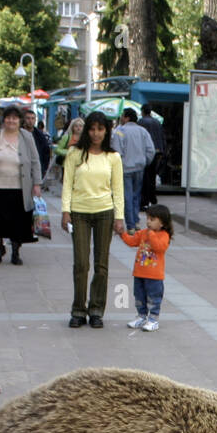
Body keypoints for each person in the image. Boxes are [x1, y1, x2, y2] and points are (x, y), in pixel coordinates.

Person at [61, 111, 124, 328]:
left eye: (100, 129)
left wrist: (119, 217)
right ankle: (78, 310)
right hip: (79, 212)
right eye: (92, 129)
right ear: (87, 130)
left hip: (105, 212)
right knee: (81, 263)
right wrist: (65, 211)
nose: (96, 133)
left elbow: (118, 189)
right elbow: (67, 183)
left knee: (101, 264)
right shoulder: (75, 154)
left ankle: (96, 310)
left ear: (106, 131)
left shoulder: (113, 157)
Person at [0, 105, 42, 265]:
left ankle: (16, 252)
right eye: (8, 118)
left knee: (18, 222)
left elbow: (35, 161)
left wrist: (37, 183)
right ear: (4, 119)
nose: (11, 121)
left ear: (20, 120)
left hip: (20, 187)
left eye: (15, 118)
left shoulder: (26, 136)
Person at [118, 204, 172, 331]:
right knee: (139, 296)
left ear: (162, 223)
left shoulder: (164, 235)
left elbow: (159, 247)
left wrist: (151, 234)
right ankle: (141, 316)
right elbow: (132, 241)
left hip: (154, 275)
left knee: (153, 298)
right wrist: (122, 234)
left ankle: (153, 319)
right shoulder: (143, 233)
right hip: (140, 272)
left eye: (152, 220)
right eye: (148, 218)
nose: (148, 222)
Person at [112, 108, 155, 232]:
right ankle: (136, 221)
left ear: (126, 117)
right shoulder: (143, 131)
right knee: (136, 196)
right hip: (140, 168)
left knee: (127, 197)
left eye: (122, 116)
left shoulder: (119, 131)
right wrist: (145, 161)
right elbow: (151, 149)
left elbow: (116, 151)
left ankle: (130, 225)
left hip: (125, 168)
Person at [137, 103, 166, 208]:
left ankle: (144, 200)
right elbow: (162, 137)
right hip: (157, 153)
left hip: (145, 153)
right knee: (152, 176)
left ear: (143, 111)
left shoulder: (141, 122)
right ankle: (152, 198)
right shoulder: (157, 122)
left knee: (145, 178)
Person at [23, 108, 51, 182]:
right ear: (24, 119)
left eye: (32, 118)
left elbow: (46, 152)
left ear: (35, 120)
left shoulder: (40, 135)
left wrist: (44, 168)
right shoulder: (19, 133)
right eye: (28, 118)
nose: (30, 121)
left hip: (36, 168)